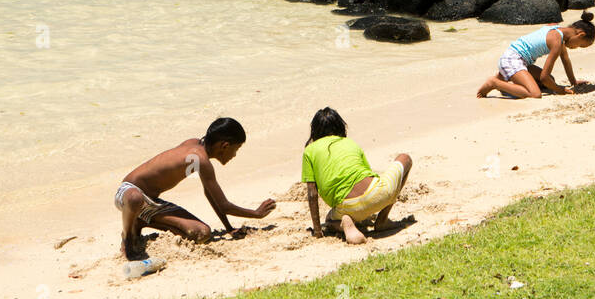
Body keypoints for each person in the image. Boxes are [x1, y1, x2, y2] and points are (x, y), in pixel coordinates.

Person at [115, 117, 275, 260]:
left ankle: (141, 221)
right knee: (136, 198)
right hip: (128, 193)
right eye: (237, 149)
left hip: (151, 204)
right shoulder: (200, 159)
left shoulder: (195, 145)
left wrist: (229, 228)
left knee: (202, 233)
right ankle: (128, 238)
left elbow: (211, 195)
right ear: (224, 146)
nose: (234, 155)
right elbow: (224, 205)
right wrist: (256, 214)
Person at [302, 108, 411, 245]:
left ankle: (345, 224)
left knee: (329, 220)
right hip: (378, 193)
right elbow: (368, 173)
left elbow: (312, 193)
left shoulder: (309, 151)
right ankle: (382, 220)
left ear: (315, 131)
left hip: (347, 206)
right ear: (341, 126)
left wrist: (318, 230)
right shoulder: (350, 143)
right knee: (405, 158)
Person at [477, 10, 595, 99]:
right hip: (512, 59)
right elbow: (544, 77)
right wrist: (560, 90)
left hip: (519, 60)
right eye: (580, 45)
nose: (576, 48)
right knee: (535, 94)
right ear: (580, 34)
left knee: (552, 81)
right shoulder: (556, 41)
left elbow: (566, 61)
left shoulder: (556, 29)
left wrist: (574, 82)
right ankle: (494, 83)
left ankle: (503, 77)